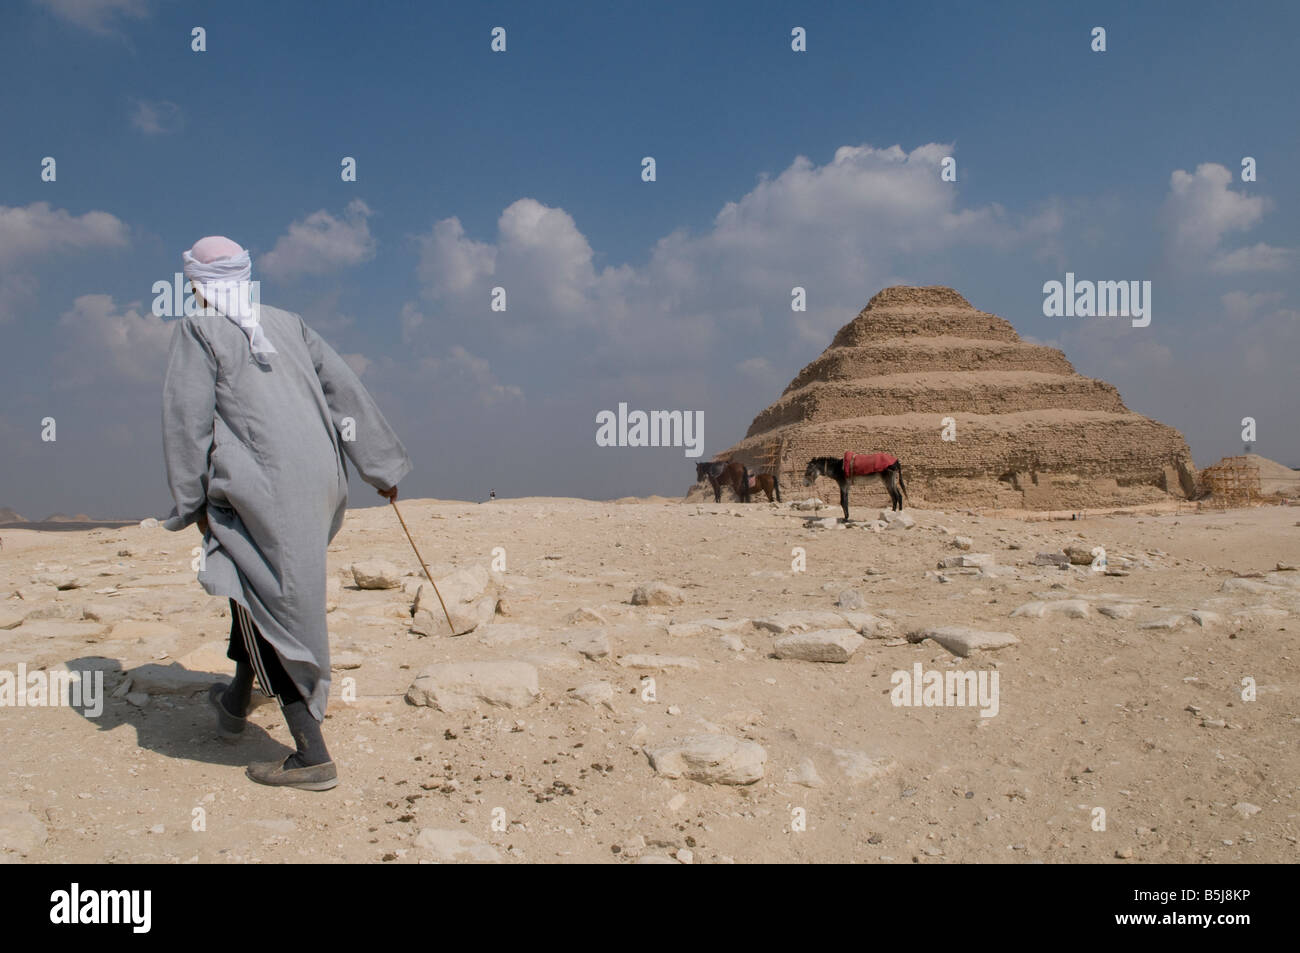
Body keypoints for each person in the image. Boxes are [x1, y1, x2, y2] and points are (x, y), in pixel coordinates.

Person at [162, 236, 411, 791]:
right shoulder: (289, 323)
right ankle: (234, 699)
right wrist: (379, 466)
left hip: (259, 484)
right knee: (261, 585)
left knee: (272, 598)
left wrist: (190, 502)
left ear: (196, 284)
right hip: (318, 480)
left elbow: (187, 423)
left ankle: (312, 755)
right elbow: (345, 392)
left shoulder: (197, 329)